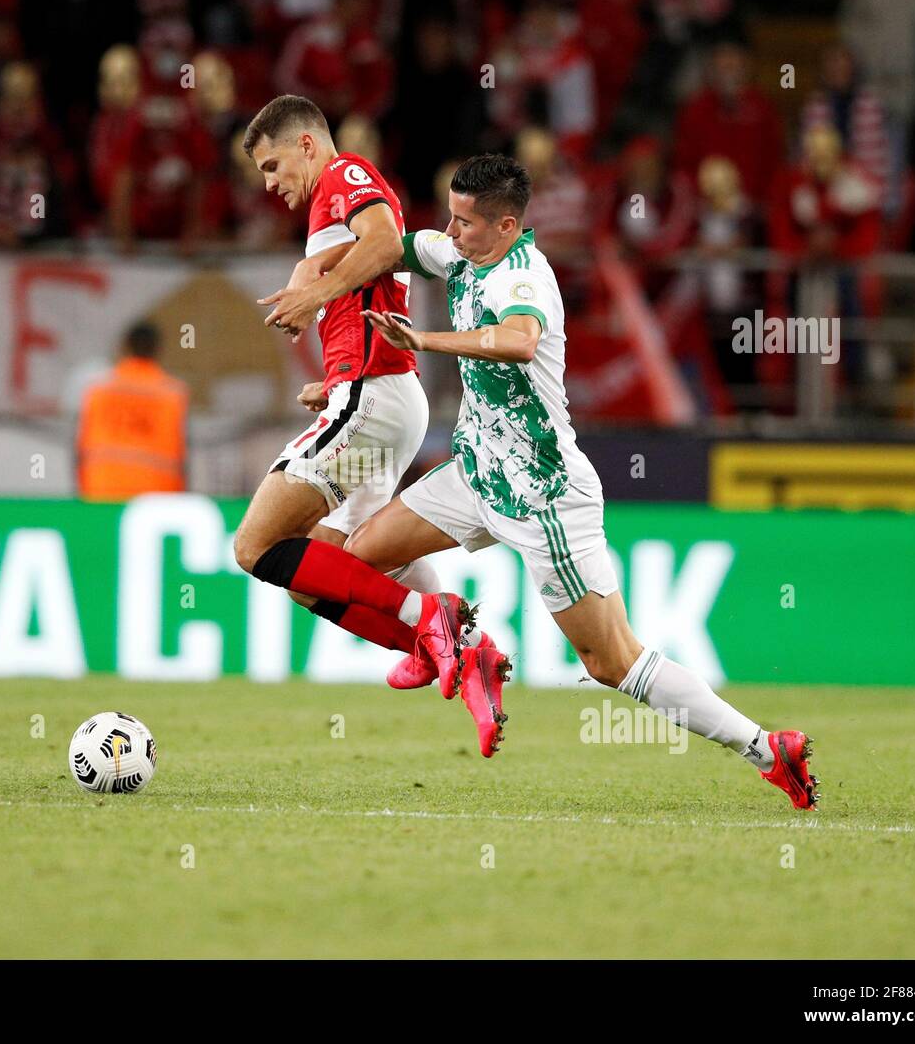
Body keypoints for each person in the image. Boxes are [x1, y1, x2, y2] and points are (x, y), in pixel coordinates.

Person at [289, 154, 821, 810]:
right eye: (450, 218)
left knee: (612, 660)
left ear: (507, 226)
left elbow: (517, 341)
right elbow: (388, 246)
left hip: (542, 491)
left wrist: (423, 340)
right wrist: (316, 284)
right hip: (478, 471)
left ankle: (768, 749)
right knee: (359, 555)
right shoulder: (461, 252)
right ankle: (462, 646)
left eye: (464, 223)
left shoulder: (524, 277)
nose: (450, 232)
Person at [231, 95, 480, 719]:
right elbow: (372, 288)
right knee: (317, 570)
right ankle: (462, 651)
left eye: (272, 166)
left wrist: (315, 292)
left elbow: (387, 242)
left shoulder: (344, 173)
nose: (269, 184)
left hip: (375, 396)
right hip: (375, 392)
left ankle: (429, 617)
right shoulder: (328, 209)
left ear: (307, 145)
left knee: (256, 546)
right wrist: (334, 375)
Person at [76, 322, 187, 501]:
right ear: (157, 349)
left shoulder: (99, 390)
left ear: (125, 347)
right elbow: (182, 454)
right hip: (155, 494)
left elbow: (81, 447)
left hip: (101, 489)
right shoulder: (172, 394)